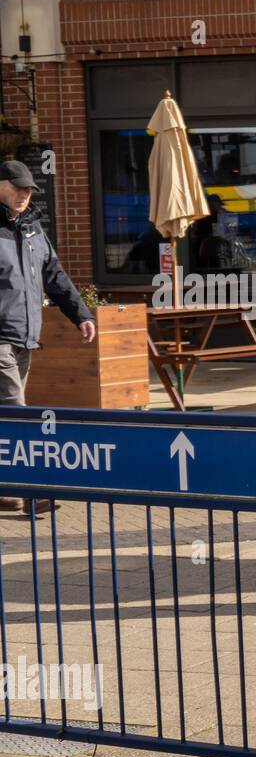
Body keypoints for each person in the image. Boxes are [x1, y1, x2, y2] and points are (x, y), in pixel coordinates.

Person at [0, 159, 97, 514]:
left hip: (24, 336)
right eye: (18, 187)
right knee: (18, 413)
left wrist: (80, 314)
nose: (25, 194)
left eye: (28, 189)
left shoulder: (32, 229)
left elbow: (54, 275)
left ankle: (5, 487)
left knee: (5, 415)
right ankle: (31, 493)